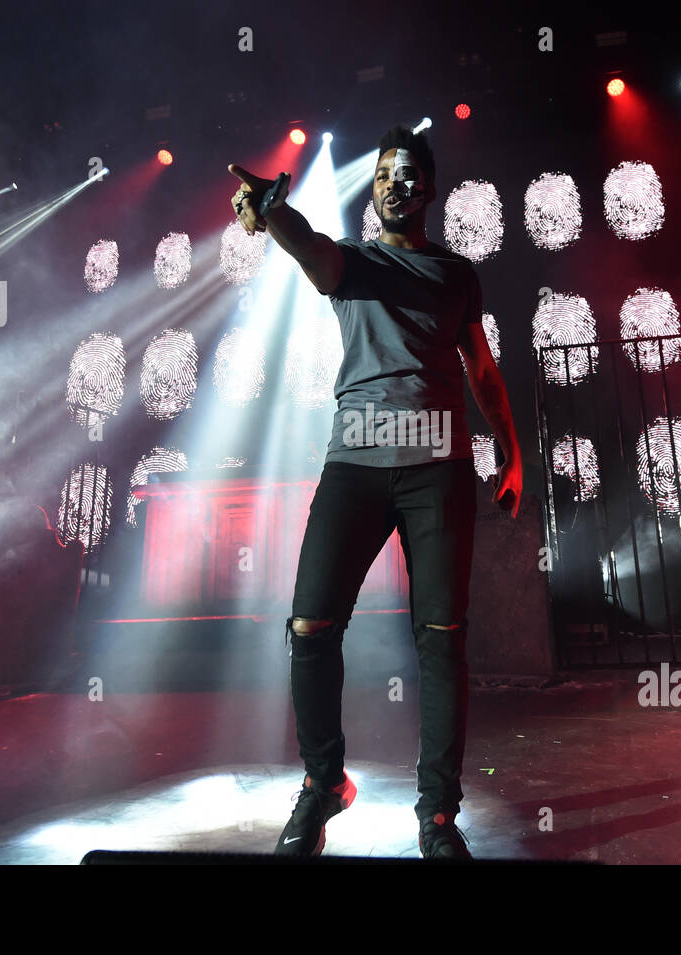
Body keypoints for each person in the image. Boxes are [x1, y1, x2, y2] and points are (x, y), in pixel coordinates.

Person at [228, 124, 522, 860]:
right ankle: (325, 781)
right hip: (355, 465)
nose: (397, 182)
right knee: (308, 626)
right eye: (386, 172)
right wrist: (273, 211)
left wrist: (512, 452)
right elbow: (308, 250)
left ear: (429, 188)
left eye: (410, 172)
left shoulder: (457, 275)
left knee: (442, 640)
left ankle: (438, 816)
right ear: (377, 189)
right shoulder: (352, 263)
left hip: (440, 470)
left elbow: (482, 371)